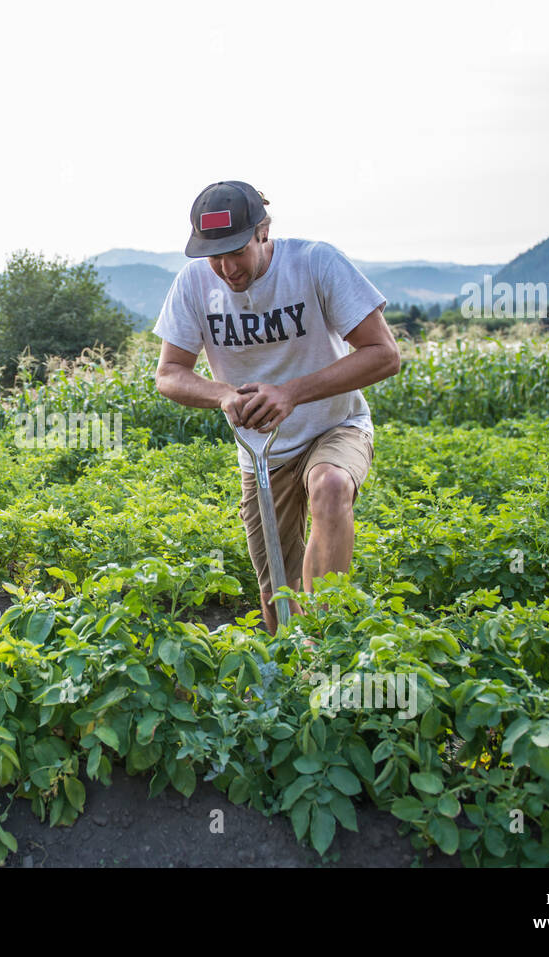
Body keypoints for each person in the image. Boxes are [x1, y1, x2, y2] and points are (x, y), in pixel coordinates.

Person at [153, 181, 400, 633]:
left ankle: (329, 640)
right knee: (276, 601)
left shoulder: (314, 263)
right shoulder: (192, 284)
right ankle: (296, 672)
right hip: (263, 450)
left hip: (335, 424)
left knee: (330, 486)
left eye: (237, 251)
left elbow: (384, 354)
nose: (227, 268)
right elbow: (169, 373)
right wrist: (224, 394)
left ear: (263, 232)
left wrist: (290, 394)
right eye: (215, 255)